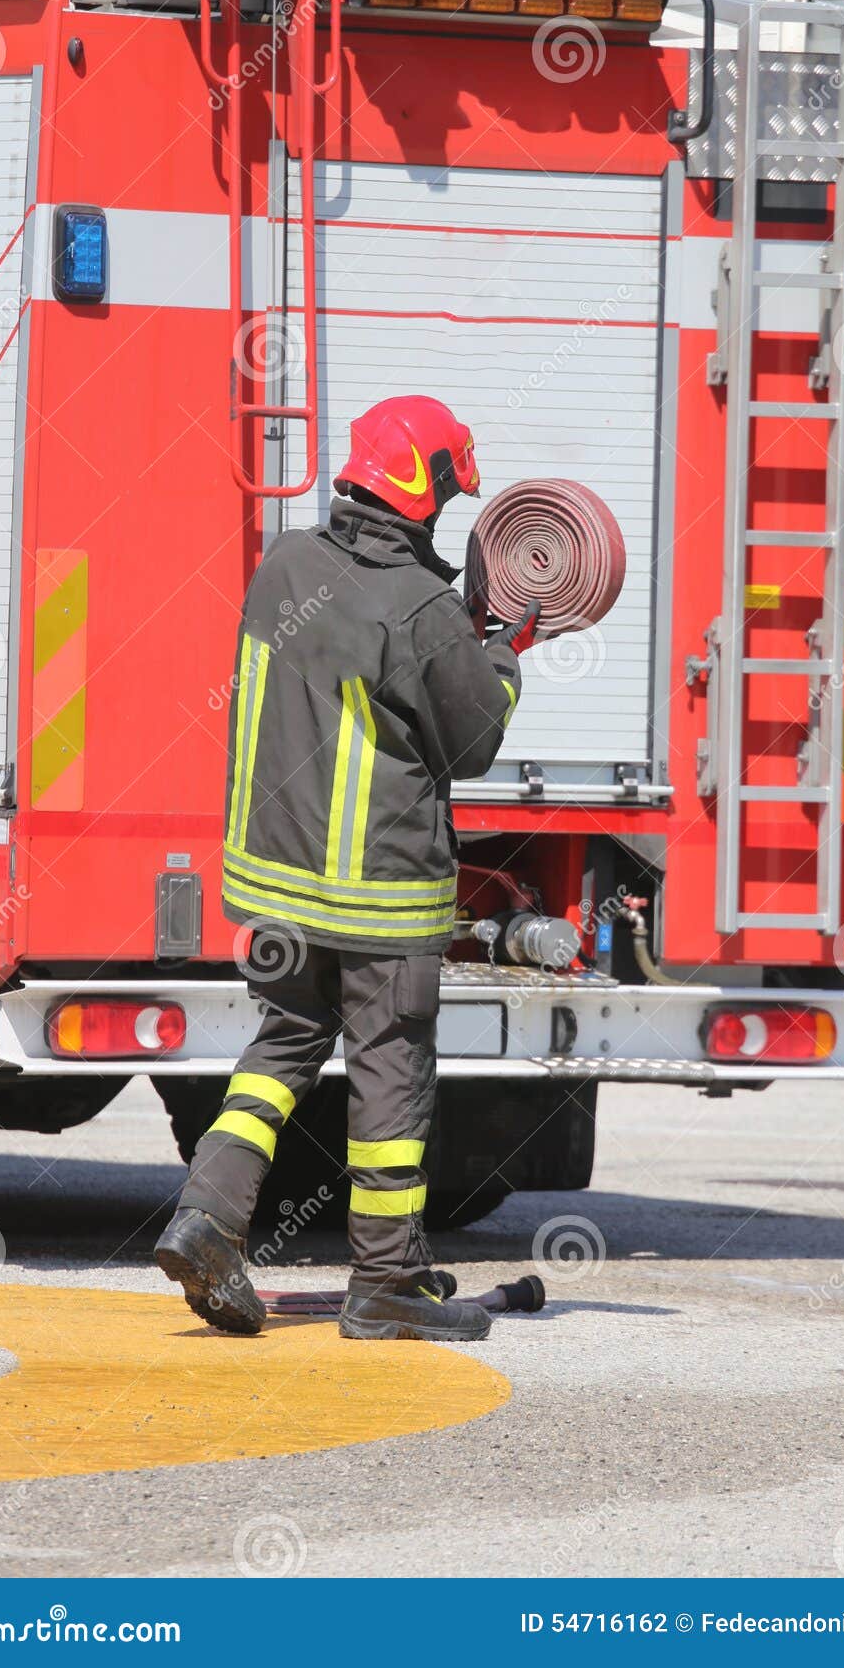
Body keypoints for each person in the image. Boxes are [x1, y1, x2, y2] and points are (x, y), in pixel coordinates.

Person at [155, 395, 540, 1341]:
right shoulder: (421, 608)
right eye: (448, 492)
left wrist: (462, 622)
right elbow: (476, 735)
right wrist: (506, 649)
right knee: (389, 1074)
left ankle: (207, 1216)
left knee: (282, 1048)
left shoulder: (284, 565)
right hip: (381, 896)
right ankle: (387, 1286)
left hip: (276, 888)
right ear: (426, 489)